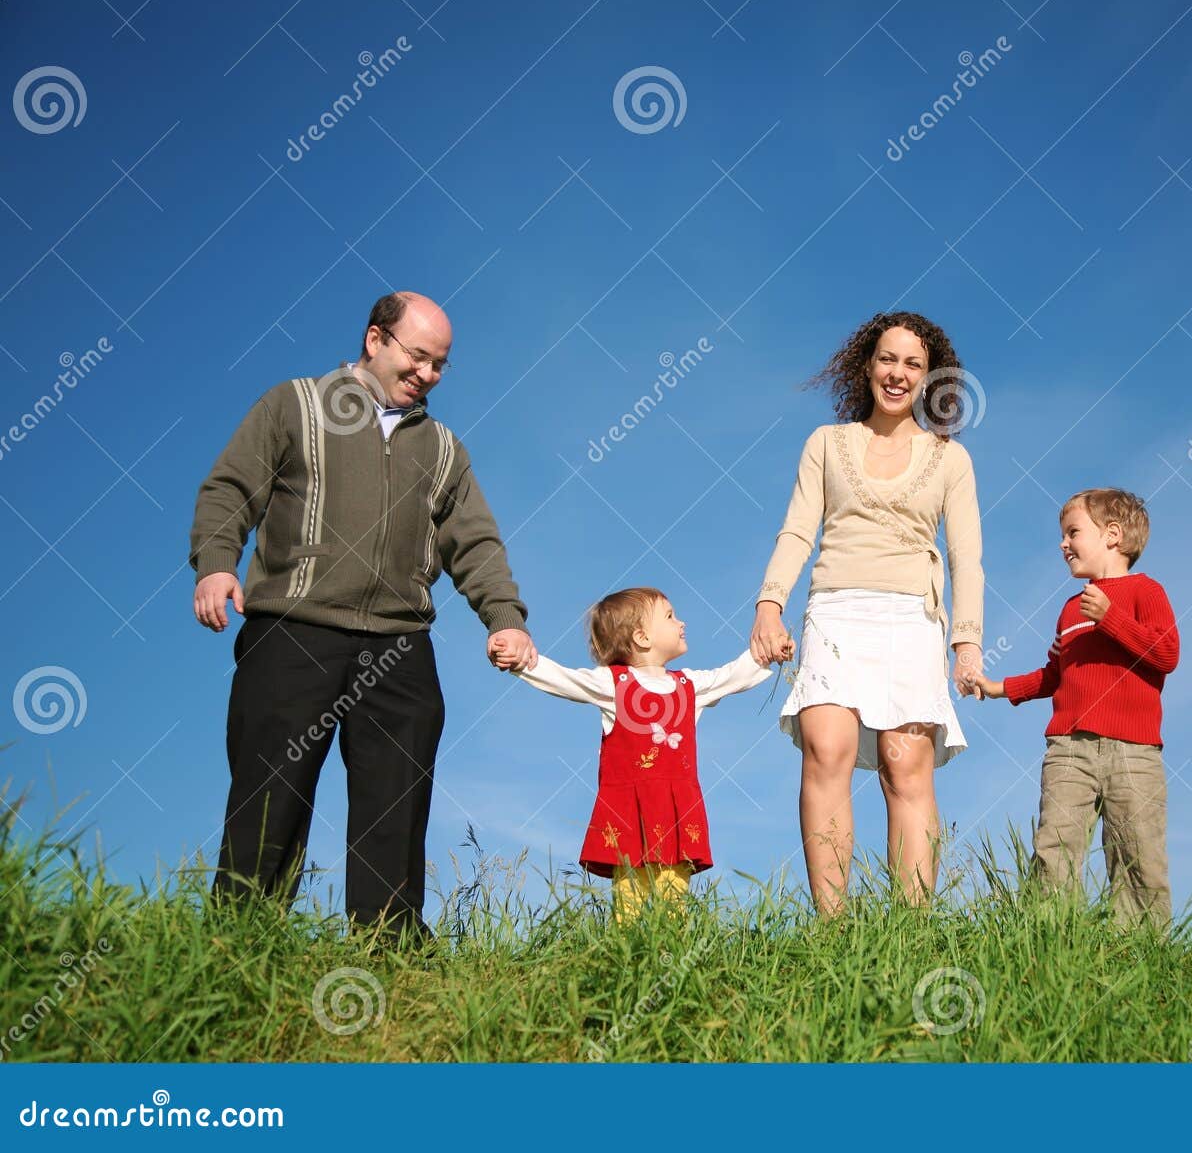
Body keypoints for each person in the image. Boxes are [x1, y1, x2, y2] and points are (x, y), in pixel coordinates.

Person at [189, 291, 537, 940]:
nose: (428, 374)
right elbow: (230, 488)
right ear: (375, 338)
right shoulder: (290, 405)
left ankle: (391, 949)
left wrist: (505, 617)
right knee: (271, 794)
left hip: (399, 643)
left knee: (395, 805)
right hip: (294, 628)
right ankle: (237, 942)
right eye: (418, 356)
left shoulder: (441, 449)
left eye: (440, 365)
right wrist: (215, 562)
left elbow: (477, 542)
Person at [749, 311, 985, 914]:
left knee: (905, 768)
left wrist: (967, 640)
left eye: (913, 363)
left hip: (912, 617)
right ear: (867, 365)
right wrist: (769, 605)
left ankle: (912, 927)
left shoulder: (950, 460)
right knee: (826, 750)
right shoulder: (828, 444)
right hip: (836, 610)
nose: (898, 373)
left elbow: (966, 556)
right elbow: (798, 531)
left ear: (932, 378)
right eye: (887, 359)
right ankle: (831, 926)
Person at [494, 588, 781, 921]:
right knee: (629, 901)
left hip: (678, 811)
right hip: (627, 813)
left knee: (674, 898)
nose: (682, 622)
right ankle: (628, 958)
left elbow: (732, 676)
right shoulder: (613, 684)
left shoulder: (689, 685)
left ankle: (671, 955)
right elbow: (564, 679)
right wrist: (521, 662)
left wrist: (768, 651)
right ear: (642, 637)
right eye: (671, 616)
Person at [971, 488, 1179, 925]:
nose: (1063, 544)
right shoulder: (1071, 609)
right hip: (1069, 748)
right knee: (1056, 843)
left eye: (1073, 532)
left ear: (1112, 535)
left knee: (1137, 851)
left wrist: (1111, 619)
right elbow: (1054, 673)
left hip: (1135, 751)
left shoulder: (1146, 592)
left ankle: (1139, 947)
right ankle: (1050, 936)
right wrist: (999, 687)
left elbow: (1166, 655)